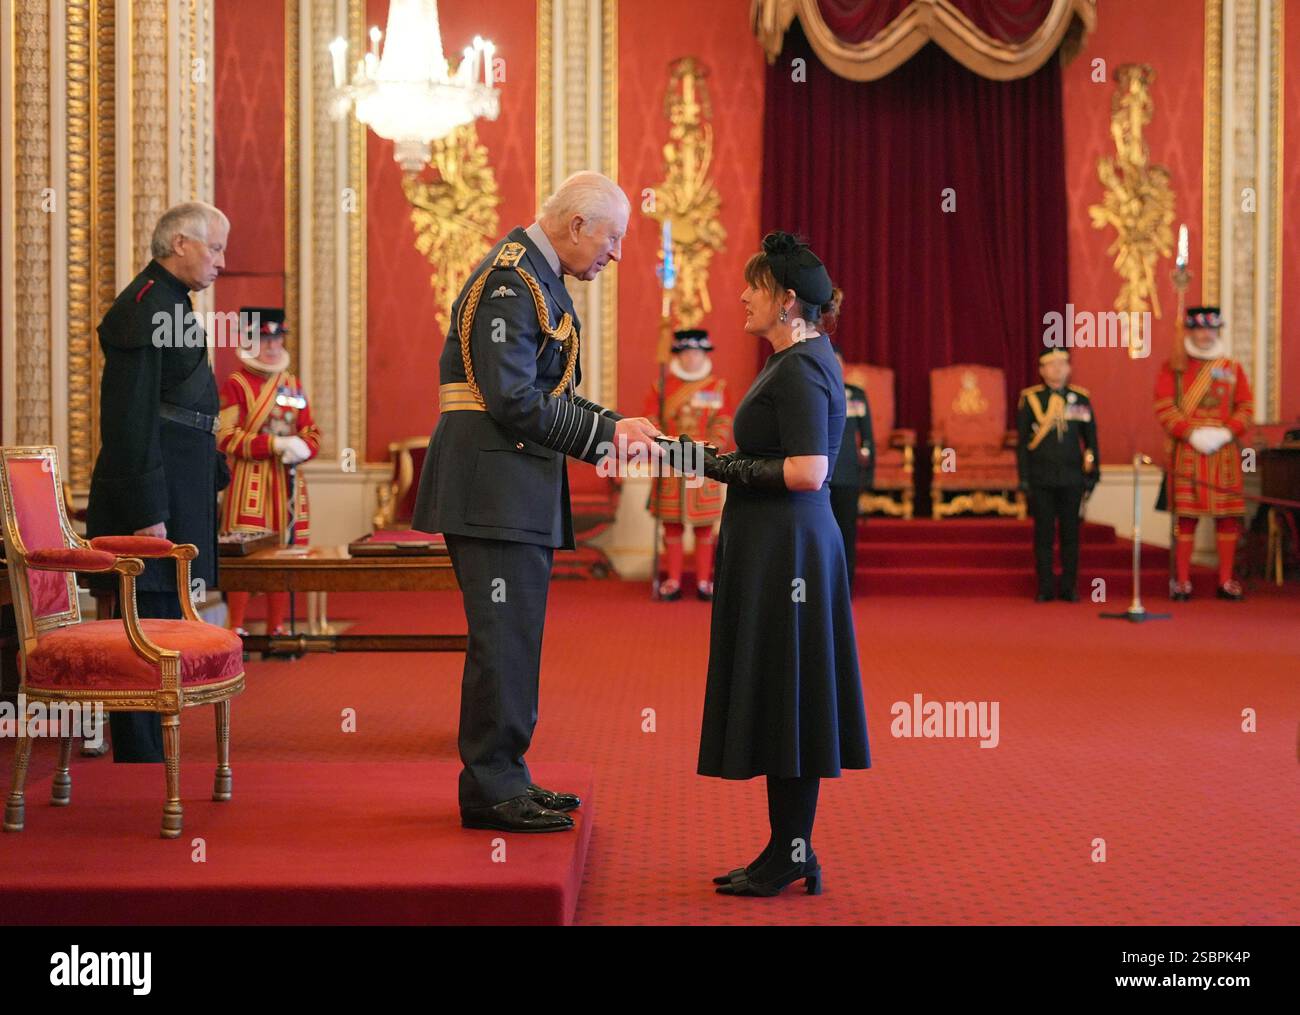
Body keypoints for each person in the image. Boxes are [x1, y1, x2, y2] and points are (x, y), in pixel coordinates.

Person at [412, 171, 663, 833]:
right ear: (577, 226)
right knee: (503, 641)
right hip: (491, 489)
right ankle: (493, 785)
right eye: (611, 238)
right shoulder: (510, 282)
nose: (614, 254)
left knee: (515, 639)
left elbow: (545, 394)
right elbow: (514, 401)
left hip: (509, 488)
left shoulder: (535, 278)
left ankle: (504, 776)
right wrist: (606, 434)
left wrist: (616, 425)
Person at [697, 232, 870, 896]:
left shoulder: (800, 367)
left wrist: (708, 461)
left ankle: (790, 851)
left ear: (787, 300)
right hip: (781, 545)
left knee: (789, 698)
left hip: (790, 550)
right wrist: (689, 455)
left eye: (755, 286)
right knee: (783, 697)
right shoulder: (799, 358)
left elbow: (808, 470)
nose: (742, 295)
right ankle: (789, 848)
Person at [85, 201, 231, 762]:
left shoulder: (171, 303)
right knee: (147, 622)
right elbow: (128, 420)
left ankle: (156, 743)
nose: (221, 261)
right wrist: (148, 511)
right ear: (180, 245)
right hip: (154, 498)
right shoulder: (143, 308)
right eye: (214, 248)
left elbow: (182, 406)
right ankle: (139, 753)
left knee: (166, 620)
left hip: (179, 484)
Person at [218, 308, 320, 636]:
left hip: (287, 485)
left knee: (284, 553)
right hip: (250, 482)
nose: (273, 346)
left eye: (277, 338)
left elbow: (312, 432)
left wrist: (303, 447)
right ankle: (236, 626)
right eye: (265, 338)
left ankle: (278, 628)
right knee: (245, 556)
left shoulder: (292, 384)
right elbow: (226, 436)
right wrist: (271, 445)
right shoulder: (236, 384)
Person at [1154, 306, 1254, 600]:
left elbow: (1246, 407)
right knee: (1186, 517)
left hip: (1224, 454)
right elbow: (1163, 405)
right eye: (1198, 329)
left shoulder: (1232, 368)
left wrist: (1227, 432)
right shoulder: (1173, 367)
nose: (1205, 334)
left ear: (1217, 331)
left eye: (1210, 329)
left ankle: (1225, 580)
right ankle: (1182, 581)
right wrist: (1190, 433)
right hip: (1188, 450)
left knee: (1228, 518)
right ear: (1190, 332)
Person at [644, 329, 732, 601]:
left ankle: (705, 581)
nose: (691, 358)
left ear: (704, 355)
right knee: (672, 525)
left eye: (696, 353)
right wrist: (664, 445)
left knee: (705, 527)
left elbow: (723, 421)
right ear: (678, 356)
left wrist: (711, 446)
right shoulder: (660, 387)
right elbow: (651, 420)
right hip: (670, 464)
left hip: (704, 465)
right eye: (686, 353)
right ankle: (673, 580)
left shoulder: (717, 387)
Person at [1015, 348, 1099, 602]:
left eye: (1062, 364)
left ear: (1069, 368)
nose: (1057, 369)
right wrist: (1024, 477)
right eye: (1050, 365)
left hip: (1072, 477)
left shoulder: (1080, 398)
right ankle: (1045, 587)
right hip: (1041, 477)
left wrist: (1093, 474)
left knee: (1070, 535)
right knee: (1043, 535)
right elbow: (1022, 444)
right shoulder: (1031, 399)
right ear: (1041, 370)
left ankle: (1069, 586)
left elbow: (1091, 440)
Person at [830, 347, 874, 593]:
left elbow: (867, 437)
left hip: (847, 475)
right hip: (818, 477)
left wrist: (868, 475)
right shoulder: (813, 391)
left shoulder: (856, 396)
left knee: (846, 533)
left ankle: (845, 586)